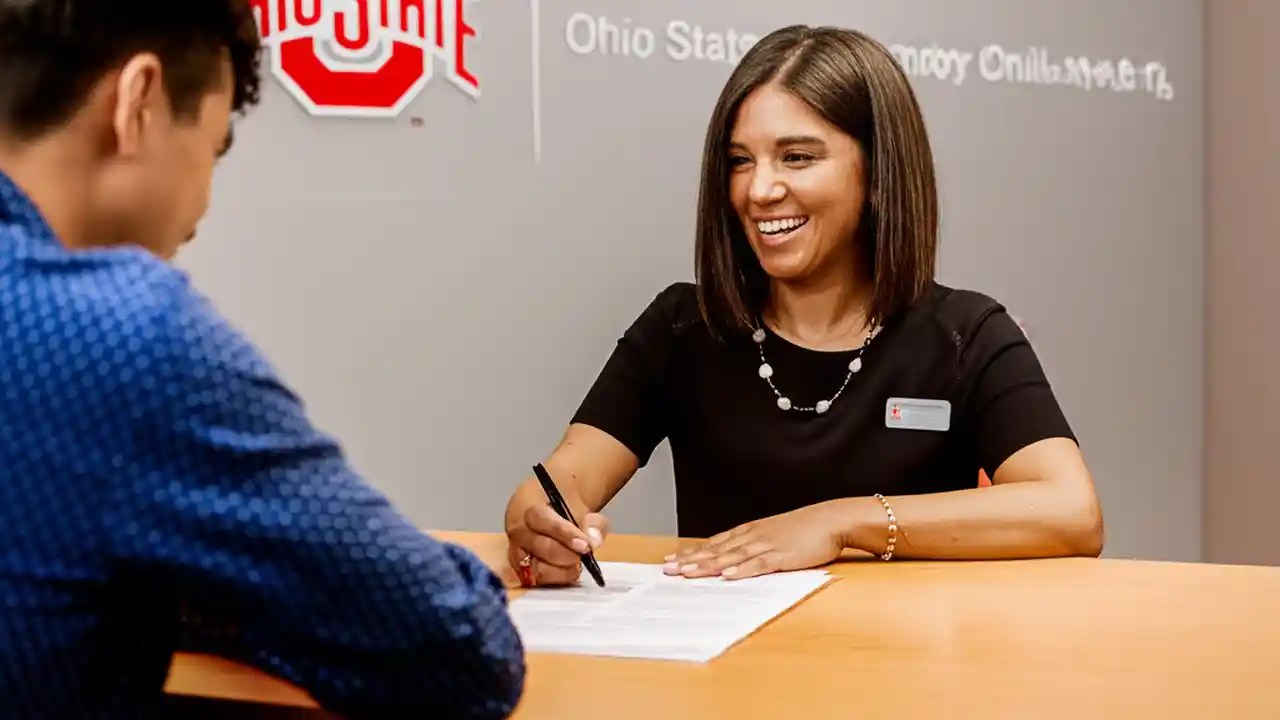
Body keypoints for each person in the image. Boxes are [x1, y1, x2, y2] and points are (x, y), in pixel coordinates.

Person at [0, 1, 523, 717]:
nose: (204, 204)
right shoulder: (124, 334)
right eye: (212, 151)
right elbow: (460, 650)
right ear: (139, 101)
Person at [504, 25, 1104, 587]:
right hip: (727, 678)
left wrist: (842, 523)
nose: (758, 190)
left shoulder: (965, 334)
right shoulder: (684, 326)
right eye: (740, 161)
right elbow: (555, 487)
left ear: (877, 172)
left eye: (797, 157)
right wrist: (542, 528)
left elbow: (1072, 511)